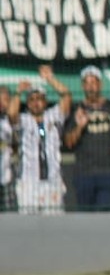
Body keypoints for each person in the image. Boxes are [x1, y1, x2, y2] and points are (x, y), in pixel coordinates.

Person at [7, 67, 72, 214]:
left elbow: (67, 96)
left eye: (39, 99)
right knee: (28, 225)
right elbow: (11, 114)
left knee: (54, 223)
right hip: (29, 182)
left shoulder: (54, 115)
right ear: (28, 104)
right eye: (32, 100)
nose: (36, 103)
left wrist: (50, 79)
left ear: (45, 101)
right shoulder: (24, 120)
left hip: (52, 180)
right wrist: (18, 92)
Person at [64, 65, 110, 209]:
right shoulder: (76, 109)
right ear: (82, 86)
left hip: (108, 171)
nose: (91, 87)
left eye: (94, 83)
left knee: (106, 216)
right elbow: (69, 142)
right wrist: (80, 126)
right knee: (86, 218)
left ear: (100, 84)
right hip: (84, 172)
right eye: (87, 83)